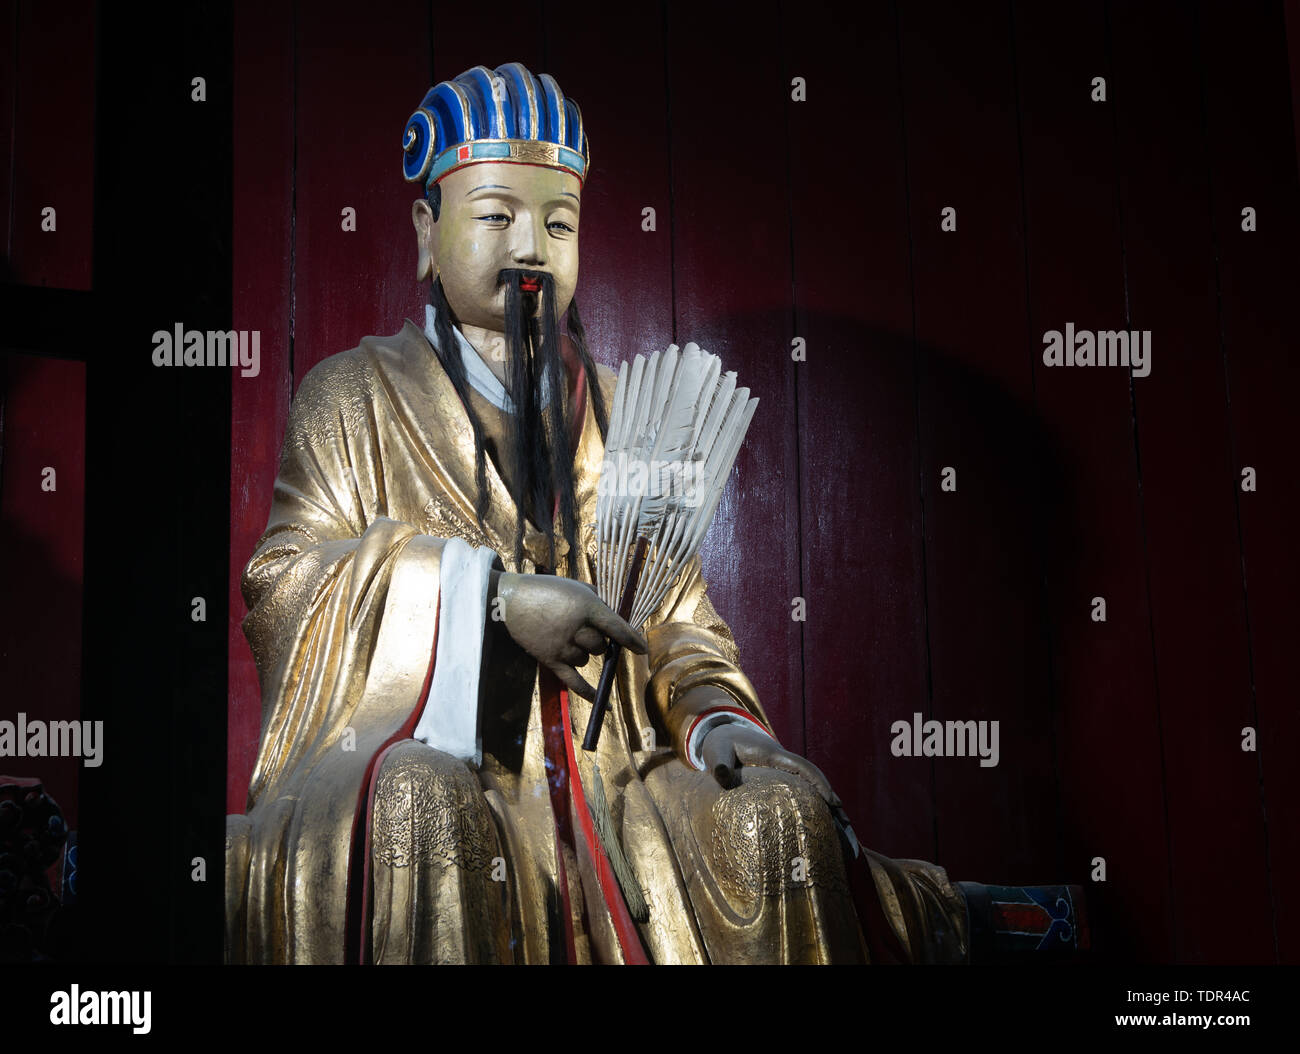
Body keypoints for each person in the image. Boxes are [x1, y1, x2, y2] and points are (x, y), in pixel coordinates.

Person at [224, 61, 974, 964]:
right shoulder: (352, 396)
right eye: (497, 215)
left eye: (560, 221)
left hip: (620, 781)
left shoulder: (627, 415)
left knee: (778, 821)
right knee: (419, 806)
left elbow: (681, 626)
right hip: (447, 761)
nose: (531, 246)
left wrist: (720, 723)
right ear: (427, 230)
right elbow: (285, 585)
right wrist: (488, 601)